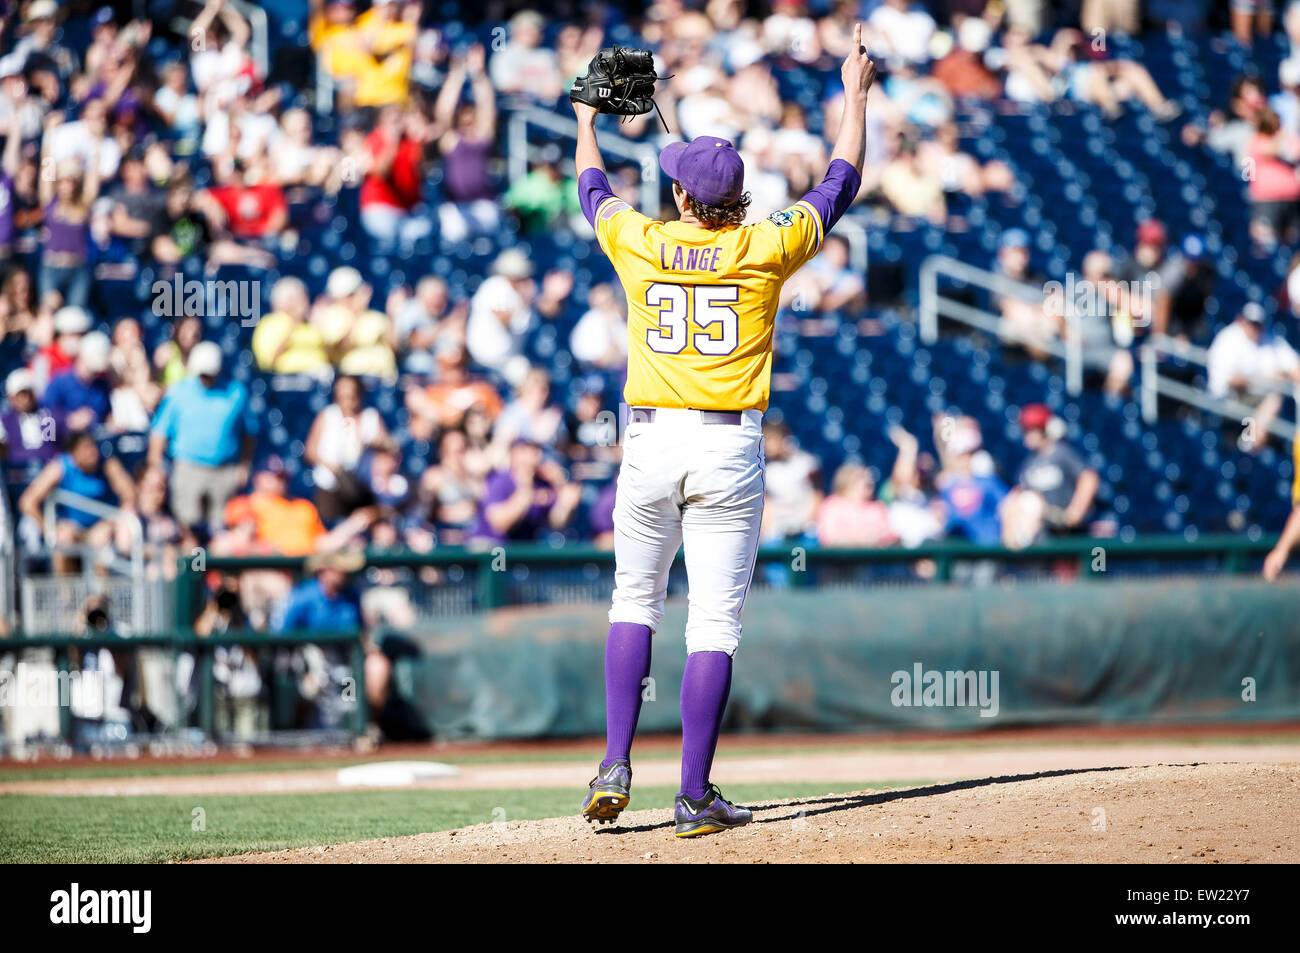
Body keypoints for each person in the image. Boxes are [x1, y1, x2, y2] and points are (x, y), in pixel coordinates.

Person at [572, 27, 875, 837]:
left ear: (678, 198)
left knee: (633, 601)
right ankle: (694, 795)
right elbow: (841, 181)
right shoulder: (765, 248)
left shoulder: (641, 242)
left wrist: (585, 121)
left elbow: (592, 191)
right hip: (728, 445)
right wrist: (855, 94)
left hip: (648, 440)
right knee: (713, 622)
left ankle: (613, 761)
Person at [147, 341, 257, 534]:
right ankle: (193, 564)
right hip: (188, 468)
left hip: (224, 471)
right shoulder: (179, 392)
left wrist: (244, 464)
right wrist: (154, 466)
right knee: (187, 527)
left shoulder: (236, 392)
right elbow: (159, 431)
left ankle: (213, 565)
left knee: (221, 529)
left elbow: (249, 431)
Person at [1206, 303, 1300, 452]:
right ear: (1242, 320)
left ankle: (1254, 443)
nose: (1254, 328)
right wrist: (1265, 380)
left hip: (1257, 397)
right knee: (1274, 398)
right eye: (1251, 323)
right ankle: (1253, 445)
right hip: (1229, 397)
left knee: (1276, 397)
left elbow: (1295, 366)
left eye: (1258, 324)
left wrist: (1283, 375)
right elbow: (1229, 379)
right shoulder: (1228, 338)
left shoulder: (1271, 340)